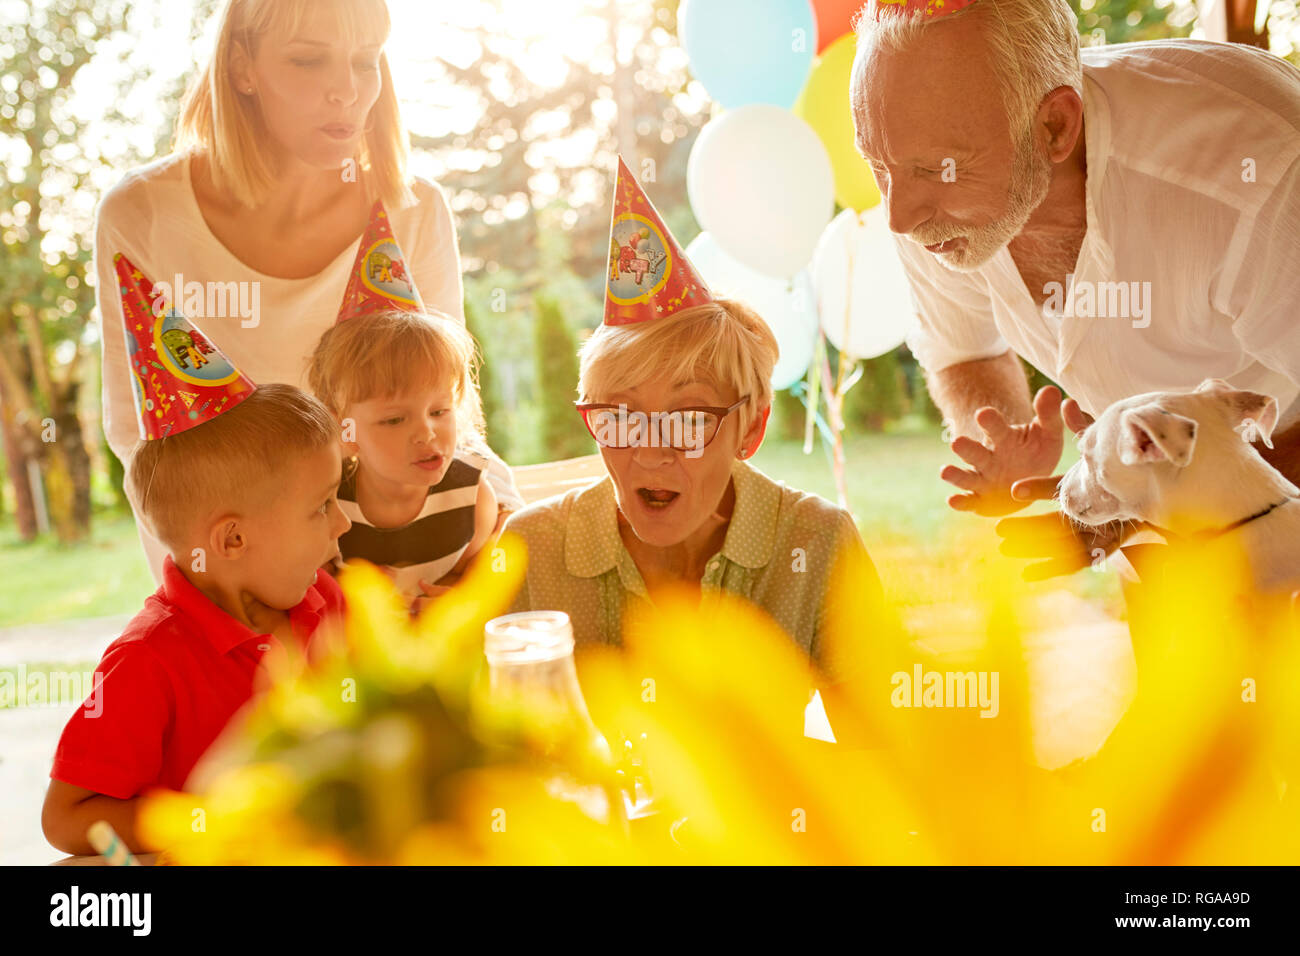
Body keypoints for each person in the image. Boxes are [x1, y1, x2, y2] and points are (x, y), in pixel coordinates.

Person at [850, 0, 1300, 573]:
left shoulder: (1254, 171)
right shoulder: (924, 195)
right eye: (877, 164)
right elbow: (962, 352)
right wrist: (1001, 439)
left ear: (1054, 127)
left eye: (935, 169)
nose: (899, 218)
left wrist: (1144, 508)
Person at [95, 0, 521, 585]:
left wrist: (467, 562)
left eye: (364, 62)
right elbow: (141, 439)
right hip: (241, 565)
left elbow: (443, 404)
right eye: (307, 61)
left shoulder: (414, 207)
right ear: (243, 67)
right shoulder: (141, 213)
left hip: (398, 547)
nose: (345, 91)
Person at [504, 158, 884, 742]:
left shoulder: (818, 542)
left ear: (750, 432)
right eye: (621, 418)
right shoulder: (531, 550)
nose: (650, 454)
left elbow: (881, 750)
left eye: (686, 422)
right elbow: (490, 765)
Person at [43, 259, 350, 855]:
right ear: (232, 541)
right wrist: (202, 818)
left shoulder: (326, 600)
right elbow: (65, 818)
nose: (341, 522)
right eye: (322, 505)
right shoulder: (146, 662)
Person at [308, 308, 498, 612]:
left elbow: (477, 577)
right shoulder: (328, 503)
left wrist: (458, 596)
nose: (426, 433)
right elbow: (312, 586)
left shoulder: (470, 498)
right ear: (345, 429)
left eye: (439, 412)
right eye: (395, 420)